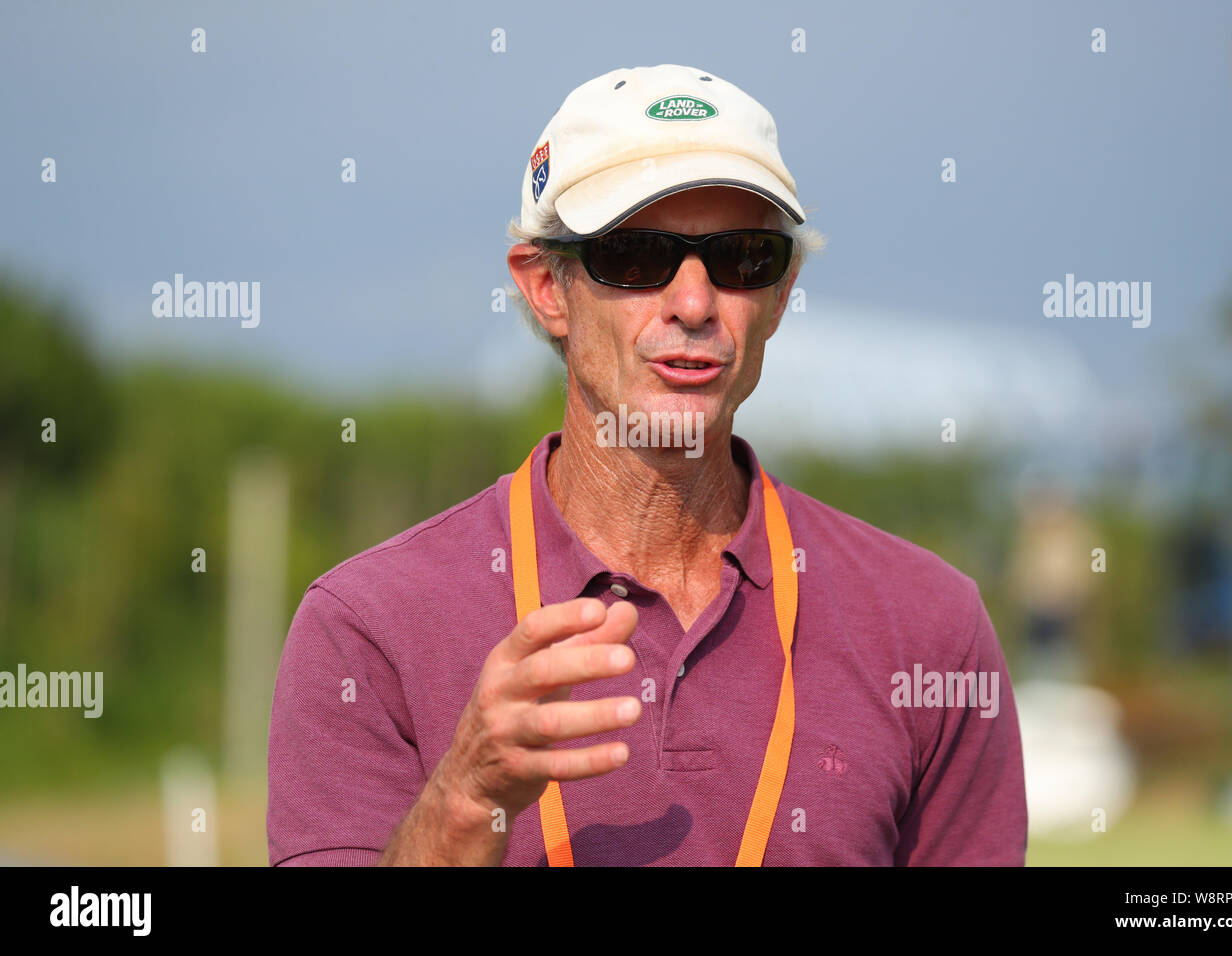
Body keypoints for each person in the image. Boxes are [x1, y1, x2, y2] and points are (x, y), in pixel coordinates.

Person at [267, 63, 1027, 866]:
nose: (695, 304)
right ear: (545, 288)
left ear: (781, 292)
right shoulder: (366, 627)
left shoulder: (929, 627)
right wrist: (468, 800)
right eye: (636, 256)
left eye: (741, 256)